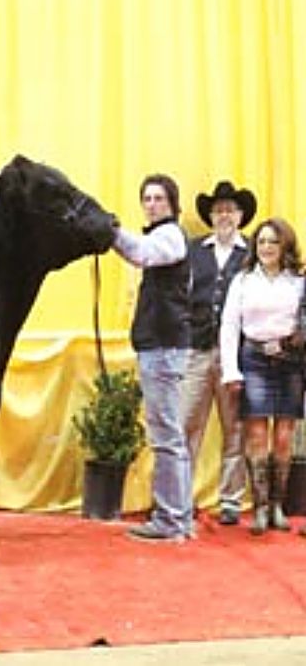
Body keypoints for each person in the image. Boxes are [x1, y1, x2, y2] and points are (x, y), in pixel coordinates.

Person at [112, 174, 193, 542]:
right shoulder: (163, 235)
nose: (151, 203)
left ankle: (171, 519)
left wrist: (108, 230)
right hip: (161, 346)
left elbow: (140, 253)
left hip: (163, 347)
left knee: (166, 437)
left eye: (159, 198)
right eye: (146, 198)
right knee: (168, 435)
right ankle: (178, 517)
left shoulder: (170, 236)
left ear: (173, 204)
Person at [219, 218, 305, 535]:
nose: (266, 247)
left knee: (283, 437)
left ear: (285, 246)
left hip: (290, 362)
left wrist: (289, 344)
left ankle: (278, 507)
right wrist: (231, 369)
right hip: (253, 359)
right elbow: (229, 326)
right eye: (261, 242)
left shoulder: (298, 281)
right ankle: (259, 508)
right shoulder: (242, 281)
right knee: (256, 436)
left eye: (273, 242)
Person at [179, 181, 256, 526]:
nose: (224, 214)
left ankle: (230, 500)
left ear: (240, 215)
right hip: (196, 349)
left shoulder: (254, 252)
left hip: (236, 356)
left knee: (234, 429)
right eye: (219, 209)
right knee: (186, 424)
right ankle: (180, 497)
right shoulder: (194, 250)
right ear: (210, 215)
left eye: (230, 209)